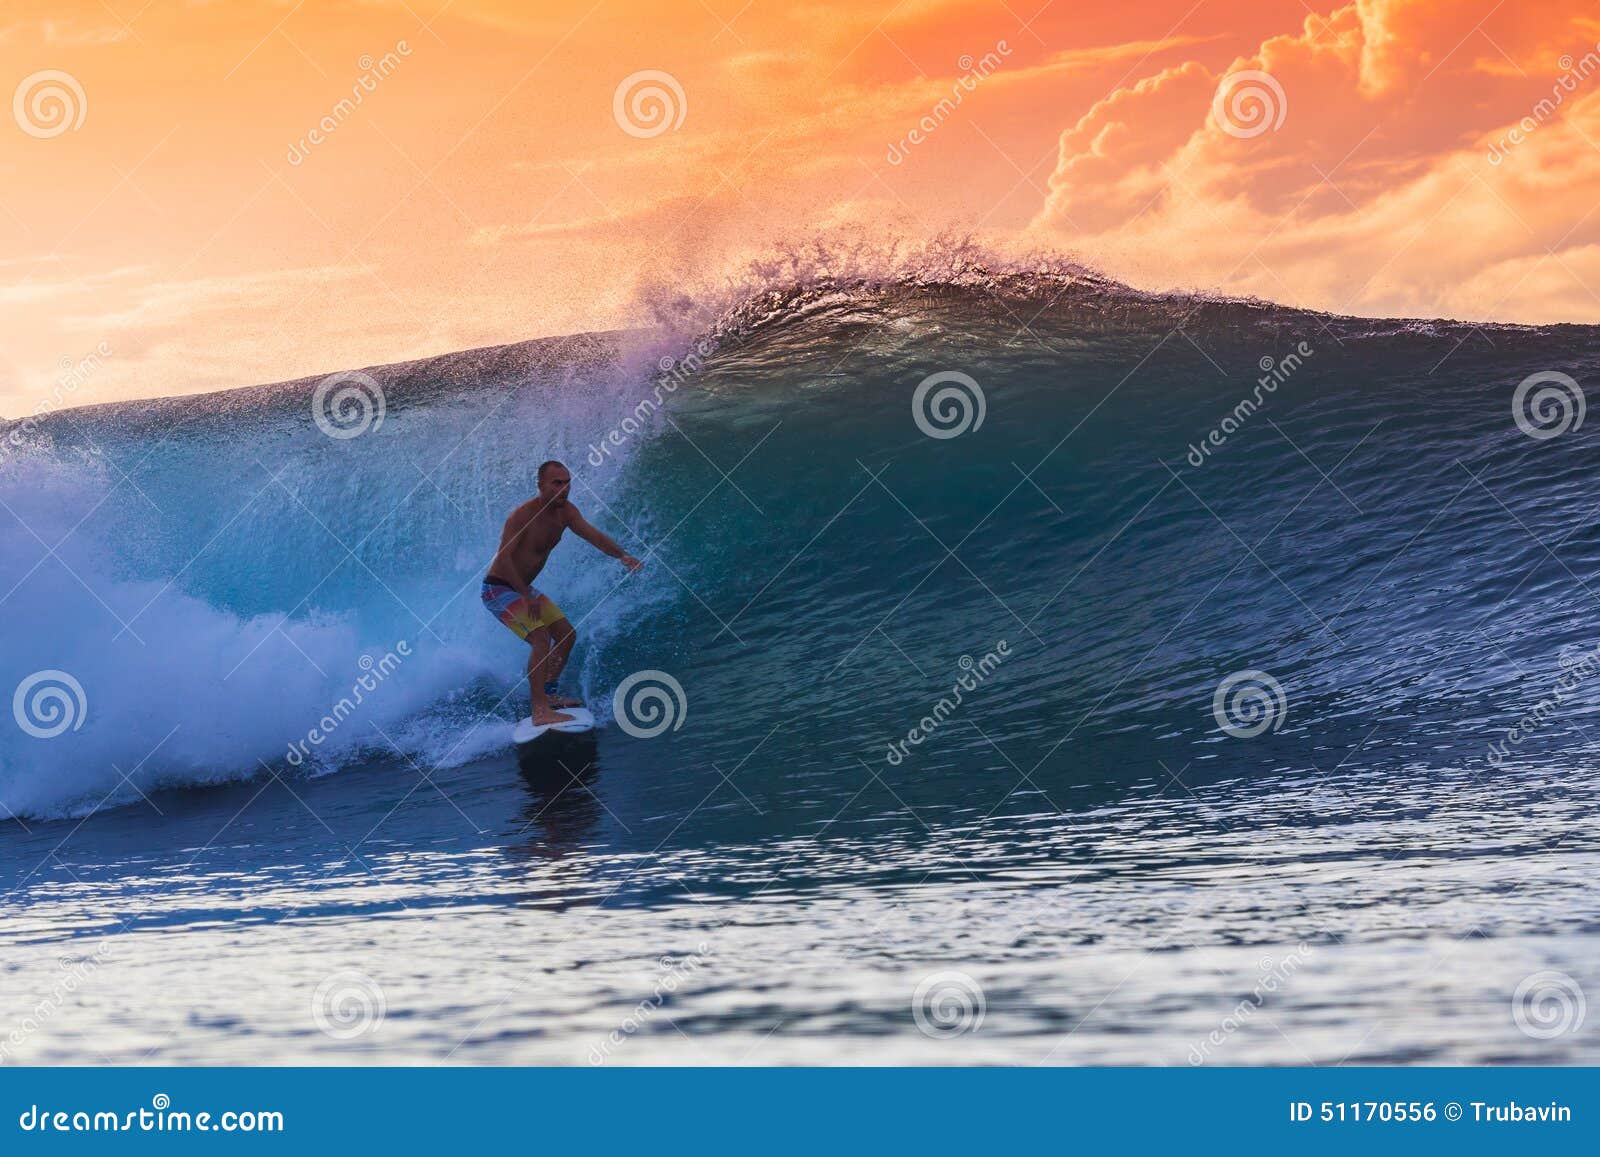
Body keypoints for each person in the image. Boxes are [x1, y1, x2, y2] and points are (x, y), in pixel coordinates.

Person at [482, 460, 641, 725]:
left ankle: (549, 695)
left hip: (523, 589)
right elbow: (505, 558)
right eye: (557, 483)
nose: (564, 488)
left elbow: (595, 537)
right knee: (541, 638)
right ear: (541, 485)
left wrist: (622, 556)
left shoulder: (566, 513)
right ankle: (540, 711)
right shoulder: (521, 516)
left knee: (566, 635)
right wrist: (526, 595)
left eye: (567, 483)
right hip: (499, 587)